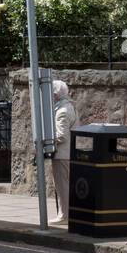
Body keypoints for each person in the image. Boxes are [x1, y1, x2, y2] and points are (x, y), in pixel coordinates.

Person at [51, 79, 78, 222]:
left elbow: (61, 135)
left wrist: (47, 139)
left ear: (56, 94)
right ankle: (65, 214)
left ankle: (64, 215)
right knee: (65, 184)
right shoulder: (69, 107)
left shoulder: (62, 111)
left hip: (62, 154)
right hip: (68, 153)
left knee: (62, 185)